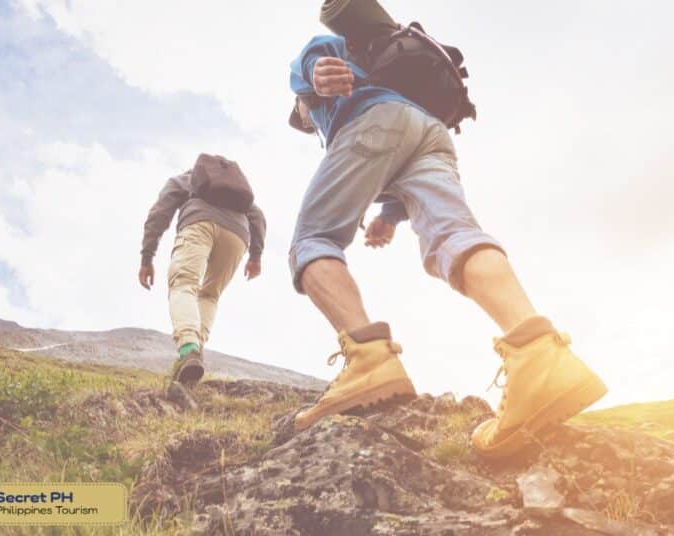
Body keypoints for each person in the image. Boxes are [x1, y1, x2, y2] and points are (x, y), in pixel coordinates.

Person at [286, 20, 607, 459]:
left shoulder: (317, 95)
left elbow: (315, 54)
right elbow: (396, 154)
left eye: (301, 119)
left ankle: (370, 360)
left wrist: (316, 73)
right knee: (455, 235)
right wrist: (390, 217)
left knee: (312, 239)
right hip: (429, 132)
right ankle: (537, 353)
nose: (306, 123)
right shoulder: (392, 93)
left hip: (375, 123)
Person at [139, 169, 266, 390]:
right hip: (237, 235)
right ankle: (194, 354)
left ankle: (189, 350)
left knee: (183, 283)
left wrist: (147, 257)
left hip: (199, 223)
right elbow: (258, 217)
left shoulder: (186, 179)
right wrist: (255, 256)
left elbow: (160, 212)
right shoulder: (237, 192)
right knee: (210, 295)